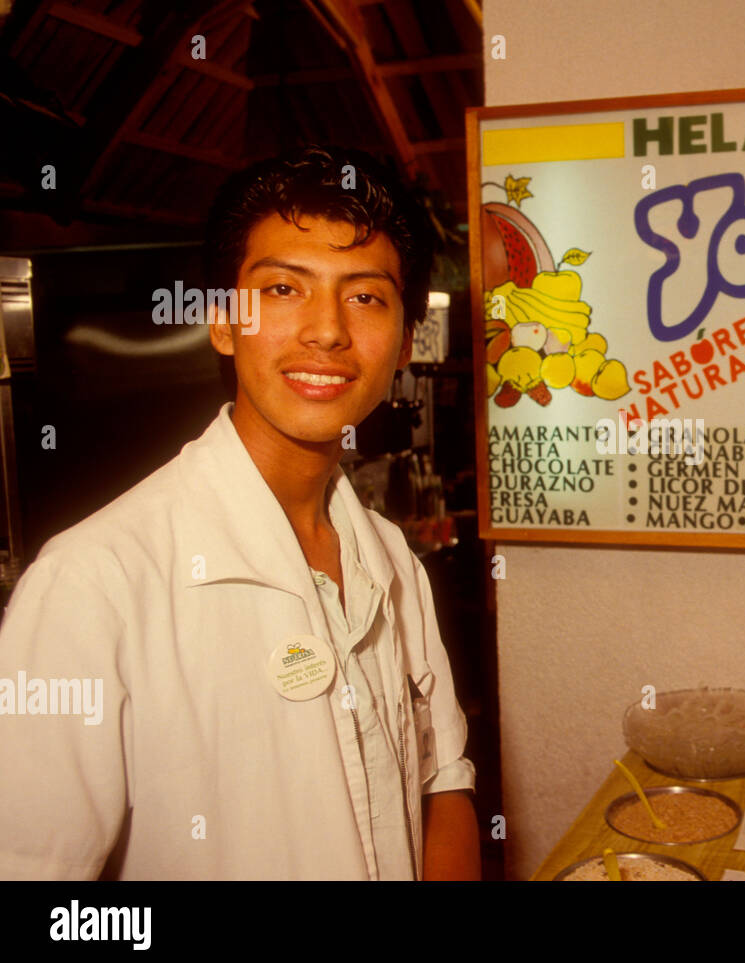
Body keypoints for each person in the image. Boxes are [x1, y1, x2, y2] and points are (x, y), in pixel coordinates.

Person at [0, 145, 480, 880]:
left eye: (365, 297)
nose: (327, 330)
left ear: (404, 345)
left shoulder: (389, 559)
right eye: (284, 289)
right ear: (222, 324)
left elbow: (442, 781)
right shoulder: (91, 585)